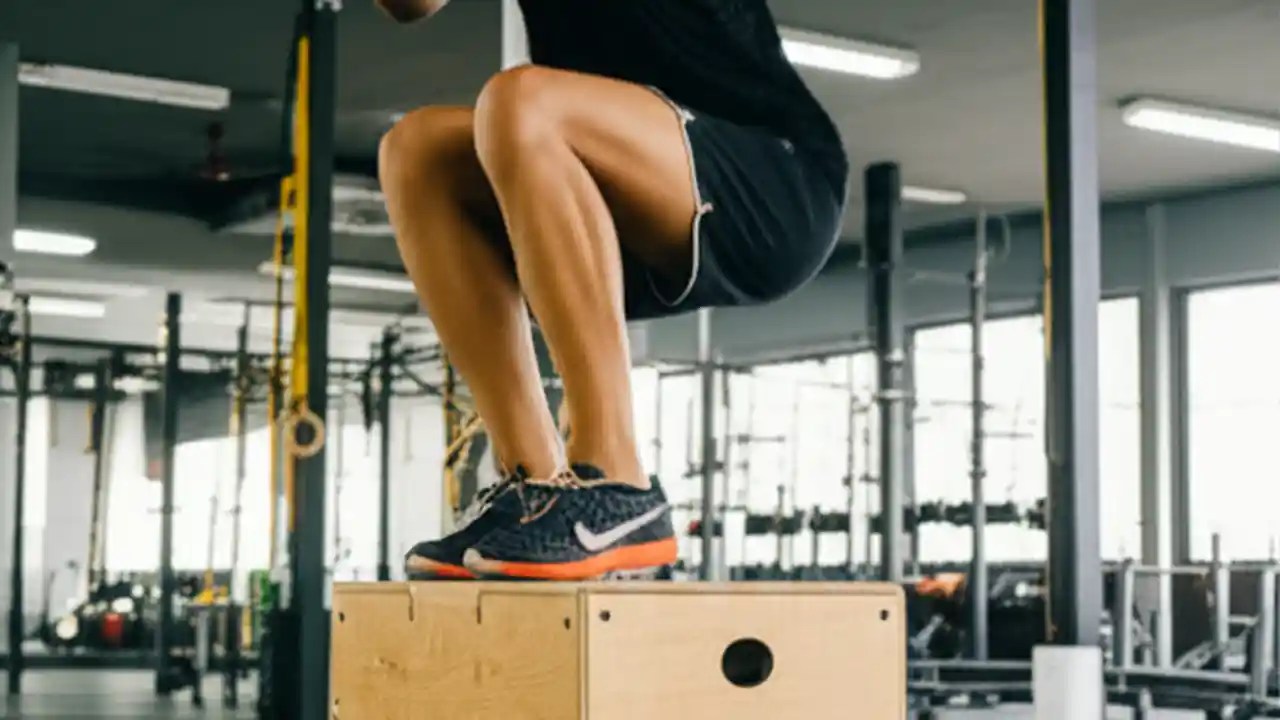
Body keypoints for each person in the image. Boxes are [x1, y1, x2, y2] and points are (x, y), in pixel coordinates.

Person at [377, 0, 849, 580]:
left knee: (520, 101)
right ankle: (536, 489)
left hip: (773, 184)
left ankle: (617, 481)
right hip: (606, 191)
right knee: (417, 150)